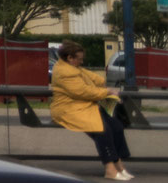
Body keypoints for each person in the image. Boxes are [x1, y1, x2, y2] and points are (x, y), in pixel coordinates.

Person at [51, 40, 132, 180]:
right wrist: (106, 92)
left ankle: (118, 163)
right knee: (102, 130)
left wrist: (101, 82)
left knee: (116, 126)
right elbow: (82, 92)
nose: (81, 62)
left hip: (83, 106)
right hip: (69, 109)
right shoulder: (65, 72)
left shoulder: (72, 68)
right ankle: (110, 169)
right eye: (80, 59)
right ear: (70, 58)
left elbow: (90, 77)